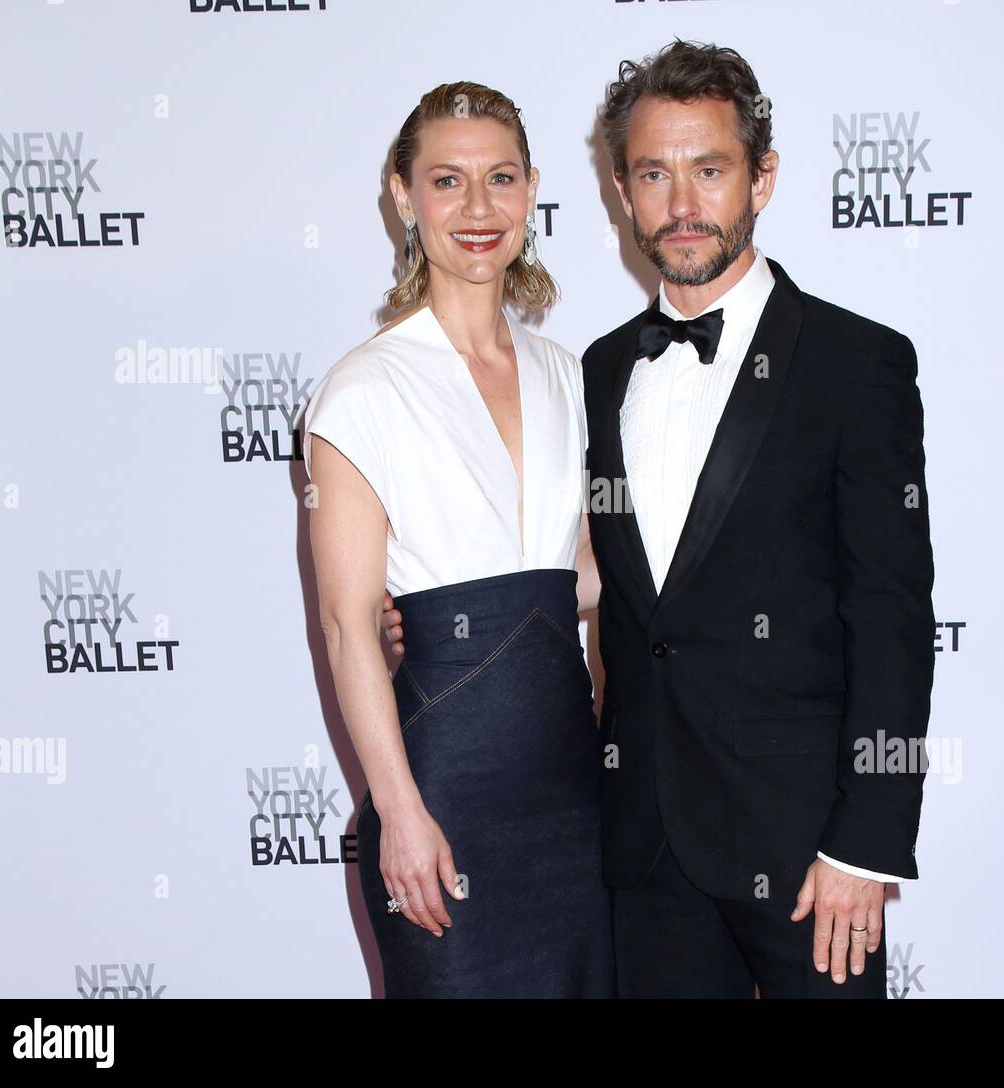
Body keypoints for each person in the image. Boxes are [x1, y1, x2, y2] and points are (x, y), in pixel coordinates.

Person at [384, 39, 936, 999]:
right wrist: (441, 608)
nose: (682, 204)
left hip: (811, 853)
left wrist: (868, 841)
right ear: (620, 192)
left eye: (709, 170)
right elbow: (589, 567)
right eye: (654, 173)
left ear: (762, 178)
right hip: (642, 851)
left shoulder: (858, 364)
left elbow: (894, 617)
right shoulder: (594, 372)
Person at [305, 81, 614, 998]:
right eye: (448, 181)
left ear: (531, 192)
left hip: (571, 785)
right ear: (404, 196)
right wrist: (398, 810)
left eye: (501, 179)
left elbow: (577, 580)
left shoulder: (571, 376)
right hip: (444, 785)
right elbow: (348, 622)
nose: (478, 210)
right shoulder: (362, 392)